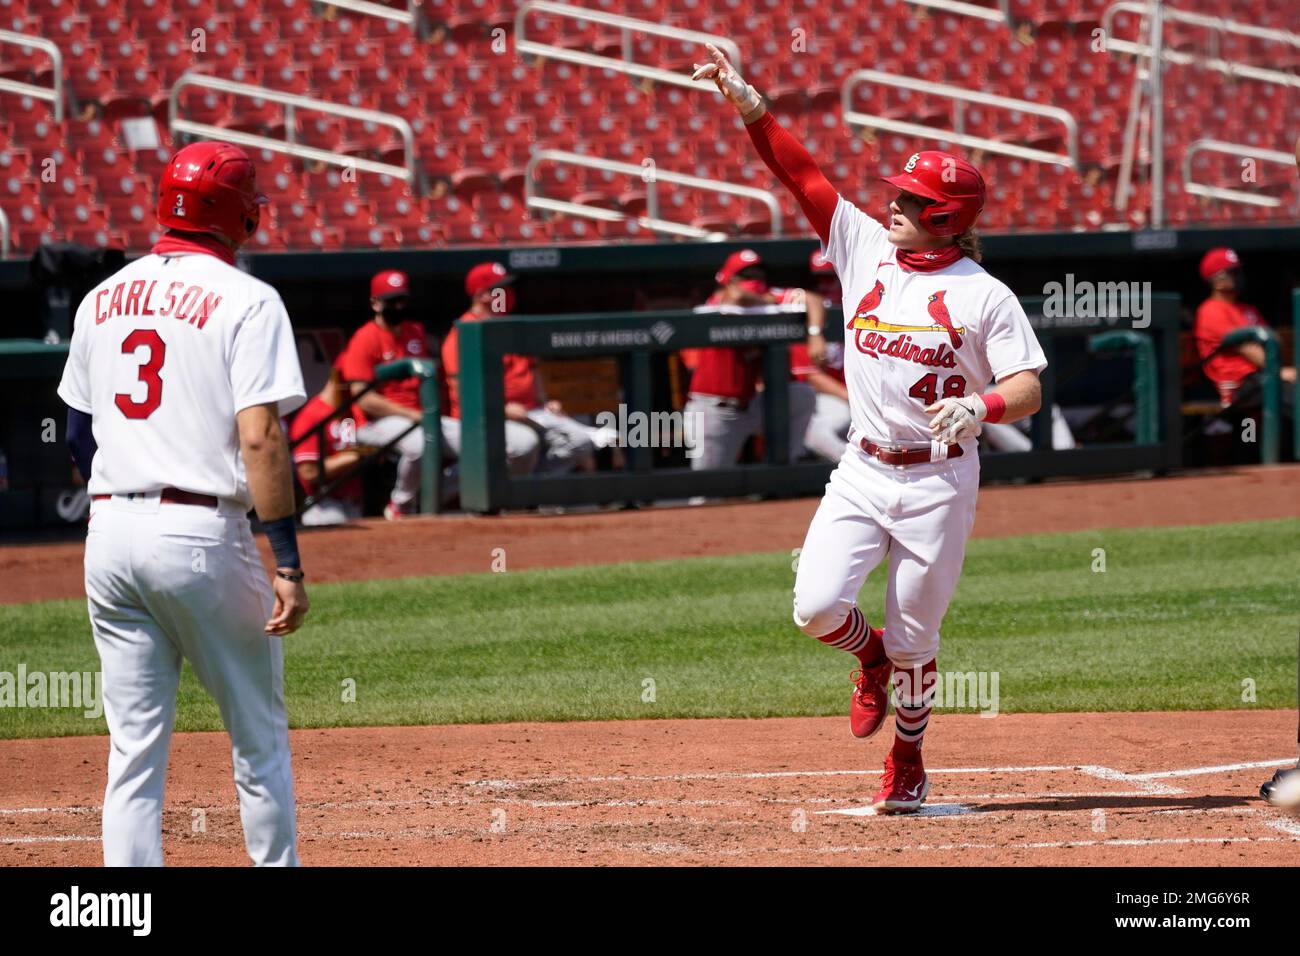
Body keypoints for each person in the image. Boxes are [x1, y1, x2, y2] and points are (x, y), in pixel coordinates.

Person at [694, 45, 1045, 813]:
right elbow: (803, 176)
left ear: (946, 217)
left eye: (911, 199)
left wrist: (981, 407)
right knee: (816, 607)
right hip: (862, 470)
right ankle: (869, 657)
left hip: (939, 479)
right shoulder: (863, 249)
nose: (894, 204)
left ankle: (909, 757)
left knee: (922, 639)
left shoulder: (984, 295)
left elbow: (1026, 387)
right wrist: (751, 106)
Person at [57, 140, 307, 865]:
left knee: (132, 752)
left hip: (109, 531)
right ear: (236, 213)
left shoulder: (101, 297)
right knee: (256, 735)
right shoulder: (250, 300)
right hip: (200, 533)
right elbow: (260, 440)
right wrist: (287, 562)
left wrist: (124, 490)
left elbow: (78, 434)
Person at [442, 261, 604, 474]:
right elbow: (462, 392)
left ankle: (533, 490)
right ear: (483, 295)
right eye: (501, 289)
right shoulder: (462, 334)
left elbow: (532, 371)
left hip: (533, 412)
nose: (507, 294)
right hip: (485, 417)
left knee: (581, 440)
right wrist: (500, 409)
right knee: (524, 443)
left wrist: (547, 402)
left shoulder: (511, 327)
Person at [680, 249, 817, 468]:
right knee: (709, 492)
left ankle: (786, 466)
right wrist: (769, 300)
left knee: (801, 395)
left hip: (751, 405)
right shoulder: (716, 302)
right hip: (714, 410)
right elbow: (735, 297)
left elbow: (811, 299)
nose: (754, 281)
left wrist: (815, 333)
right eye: (746, 276)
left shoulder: (764, 302)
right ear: (728, 279)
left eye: (759, 276)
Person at [1194, 247, 1296, 412]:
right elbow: (1247, 349)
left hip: (1259, 378)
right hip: (1237, 385)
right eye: (1231, 272)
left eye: (1237, 271)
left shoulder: (1246, 309)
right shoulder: (1210, 311)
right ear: (1216, 279)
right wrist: (1279, 371)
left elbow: (1274, 342)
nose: (1237, 276)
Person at [289, 359, 371, 526]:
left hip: (353, 502)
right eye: (351, 384)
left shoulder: (350, 411)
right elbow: (308, 472)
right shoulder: (311, 416)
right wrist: (354, 457)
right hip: (322, 504)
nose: (356, 390)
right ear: (337, 381)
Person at [791, 249, 851, 461]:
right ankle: (857, 475)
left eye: (830, 278)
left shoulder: (862, 306)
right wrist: (852, 398)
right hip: (827, 398)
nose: (824, 285)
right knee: (814, 433)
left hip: (859, 397)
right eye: (819, 279)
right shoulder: (802, 317)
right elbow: (810, 375)